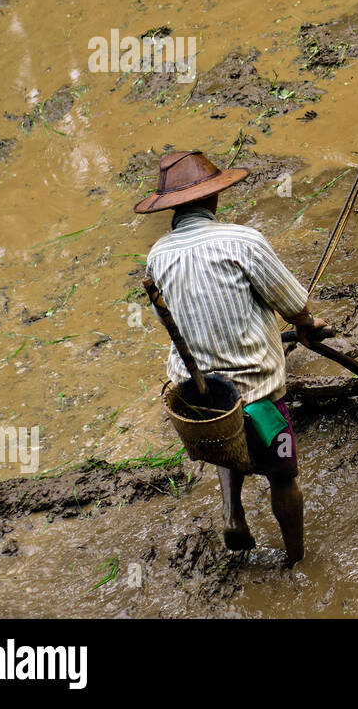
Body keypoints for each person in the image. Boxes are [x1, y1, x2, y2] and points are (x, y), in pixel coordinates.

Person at [136, 150, 329, 566]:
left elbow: (168, 320)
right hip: (256, 389)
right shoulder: (243, 241)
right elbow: (293, 303)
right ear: (213, 199)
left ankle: (232, 512)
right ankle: (296, 561)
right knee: (283, 476)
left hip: (196, 396)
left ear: (171, 207)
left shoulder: (156, 256)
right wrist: (308, 324)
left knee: (226, 430)